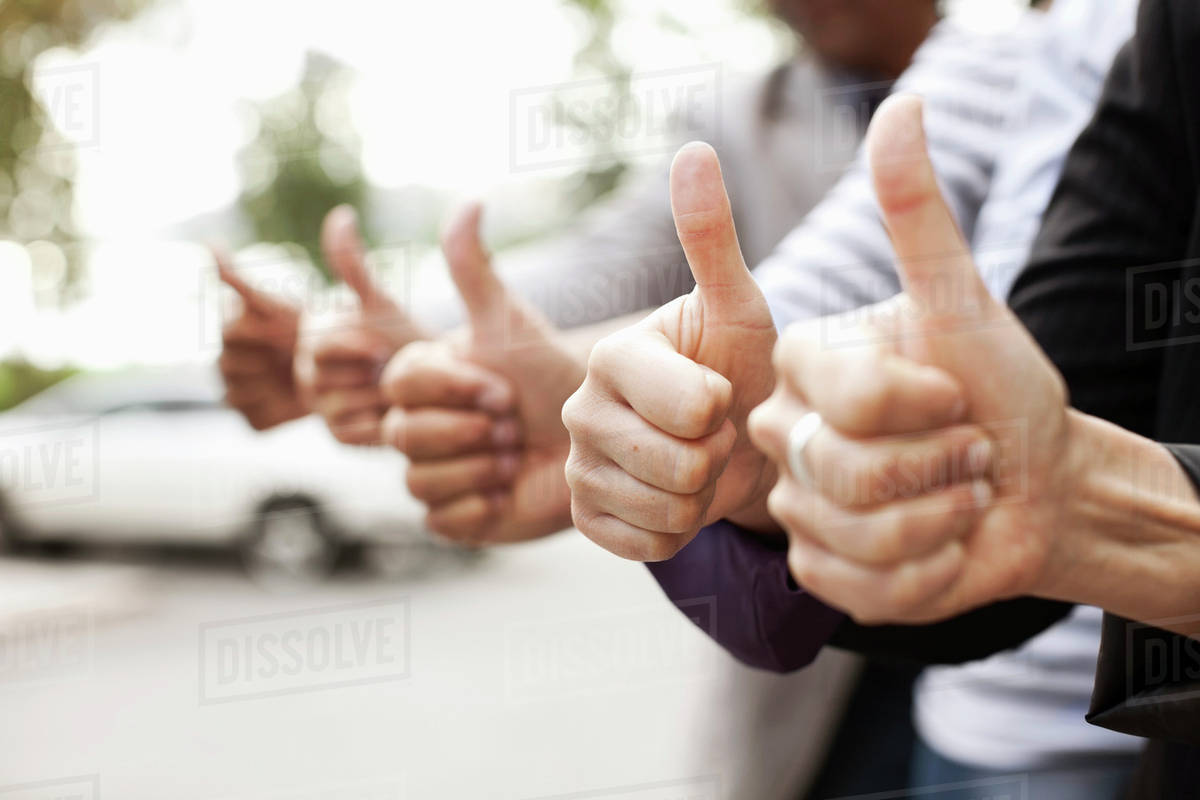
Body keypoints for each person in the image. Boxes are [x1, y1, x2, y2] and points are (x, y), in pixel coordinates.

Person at [214, 3, 940, 797]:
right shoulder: (740, 118)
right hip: (818, 656)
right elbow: (600, 267)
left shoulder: (1026, 70)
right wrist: (382, 333)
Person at [567, 0, 1200, 793]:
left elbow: (1065, 471)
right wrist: (768, 458)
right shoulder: (1150, 35)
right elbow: (1046, 435)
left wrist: (1130, 518)